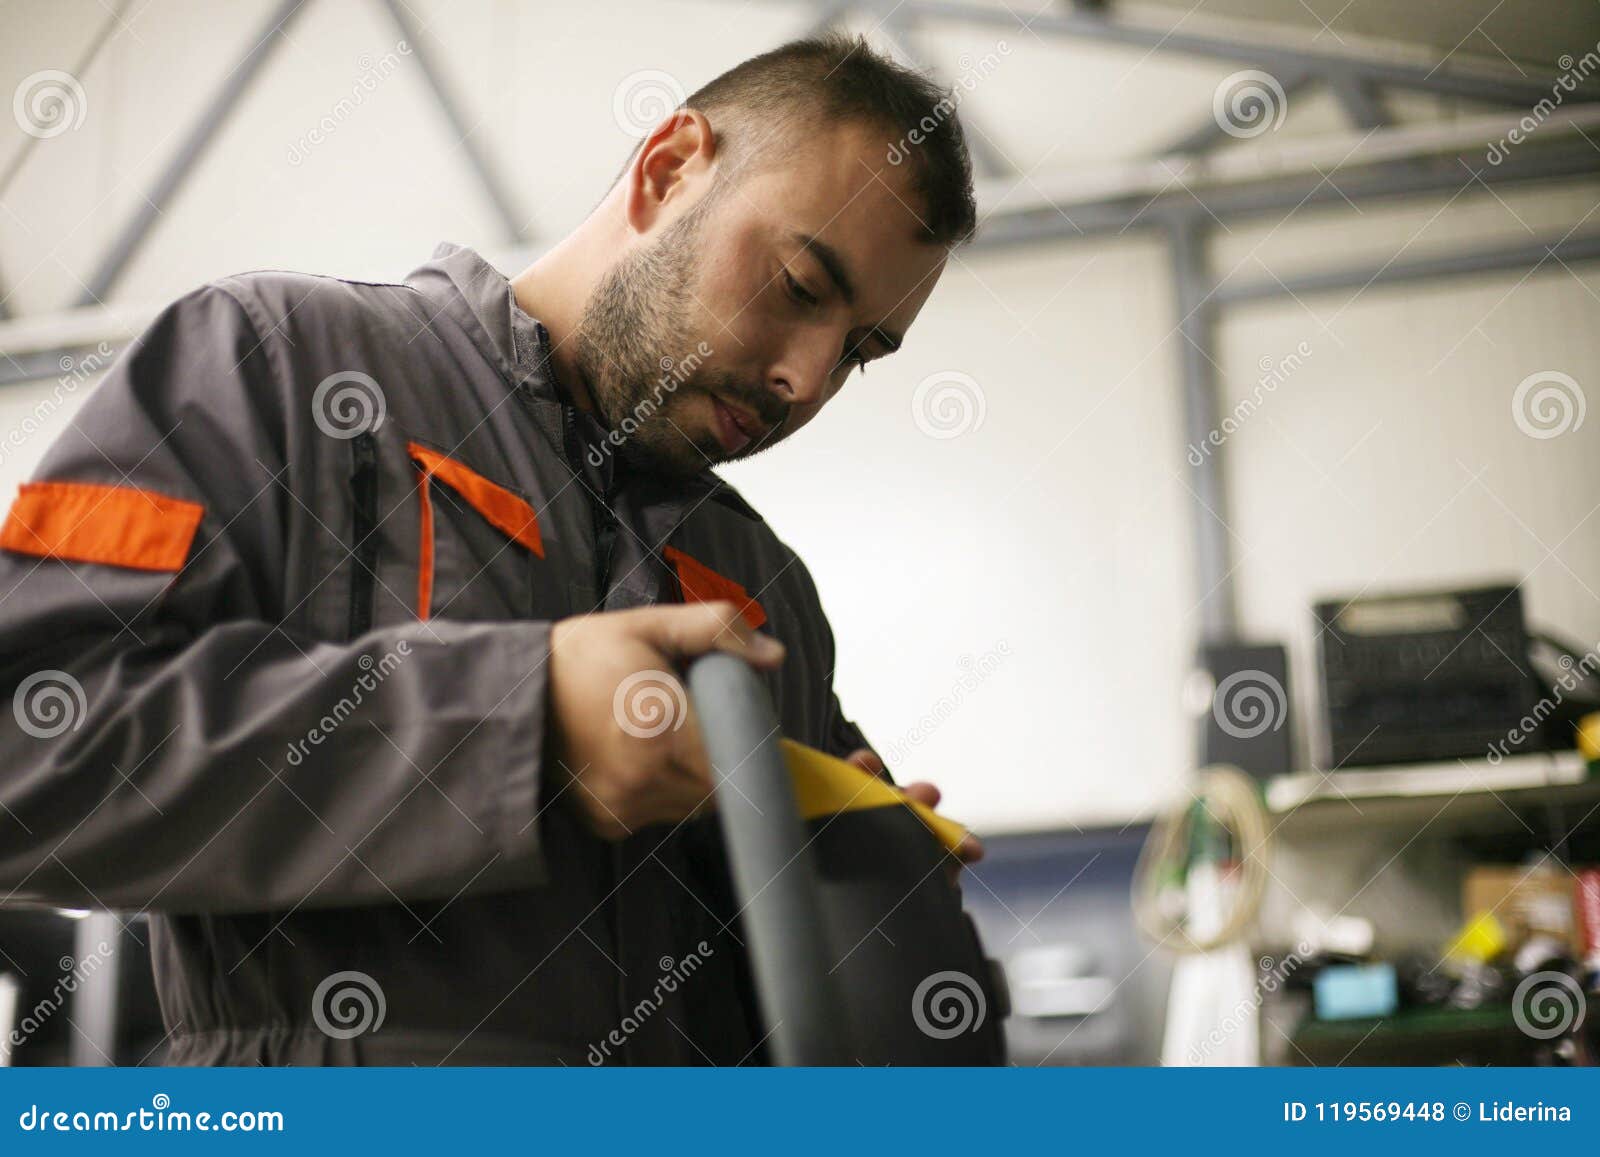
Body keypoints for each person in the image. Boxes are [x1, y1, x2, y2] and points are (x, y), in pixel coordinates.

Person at [0, 33, 979, 1065]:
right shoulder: (277, 365)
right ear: (668, 169)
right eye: (796, 284)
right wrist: (522, 722)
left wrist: (850, 895)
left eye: (860, 352)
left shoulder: (767, 587)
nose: (808, 378)